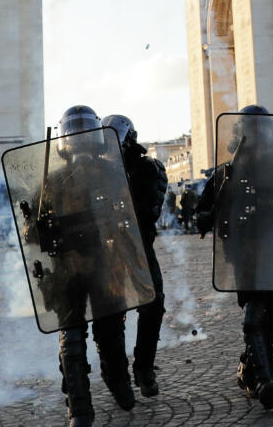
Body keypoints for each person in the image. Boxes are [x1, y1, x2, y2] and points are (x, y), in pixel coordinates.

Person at [196, 105, 273, 411]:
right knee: (253, 320)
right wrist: (208, 216)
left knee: (272, 323)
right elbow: (202, 211)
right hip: (246, 254)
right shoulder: (227, 172)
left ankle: (248, 368)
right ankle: (266, 381)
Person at [38, 106, 151, 427]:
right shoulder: (67, 180)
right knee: (92, 337)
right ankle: (93, 401)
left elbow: (128, 216)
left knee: (93, 337)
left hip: (95, 265)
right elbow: (34, 229)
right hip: (81, 267)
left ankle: (94, 400)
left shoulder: (67, 179)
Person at [101, 114, 168, 398]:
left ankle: (144, 367)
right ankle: (116, 374)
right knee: (110, 312)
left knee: (153, 303)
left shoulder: (146, 169)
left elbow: (148, 210)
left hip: (137, 246)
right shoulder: (95, 169)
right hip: (105, 250)